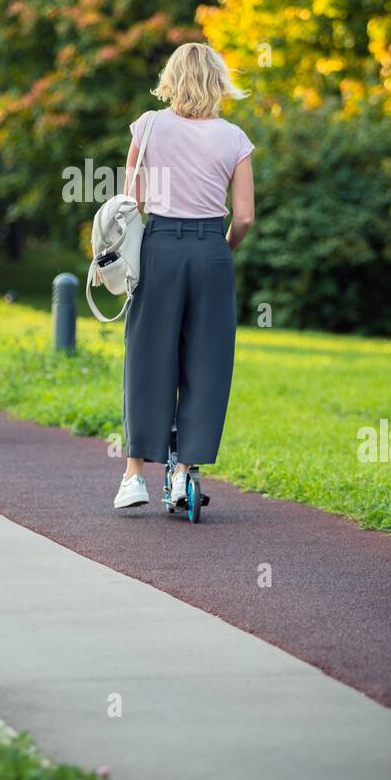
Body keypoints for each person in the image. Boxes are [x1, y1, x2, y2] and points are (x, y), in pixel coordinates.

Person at [114, 44, 255, 510]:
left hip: (159, 247)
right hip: (211, 251)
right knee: (206, 360)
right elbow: (245, 218)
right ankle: (182, 472)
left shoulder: (148, 126)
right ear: (218, 81)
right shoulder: (235, 138)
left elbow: (129, 202)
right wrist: (221, 250)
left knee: (148, 355)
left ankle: (134, 475)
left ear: (171, 79)